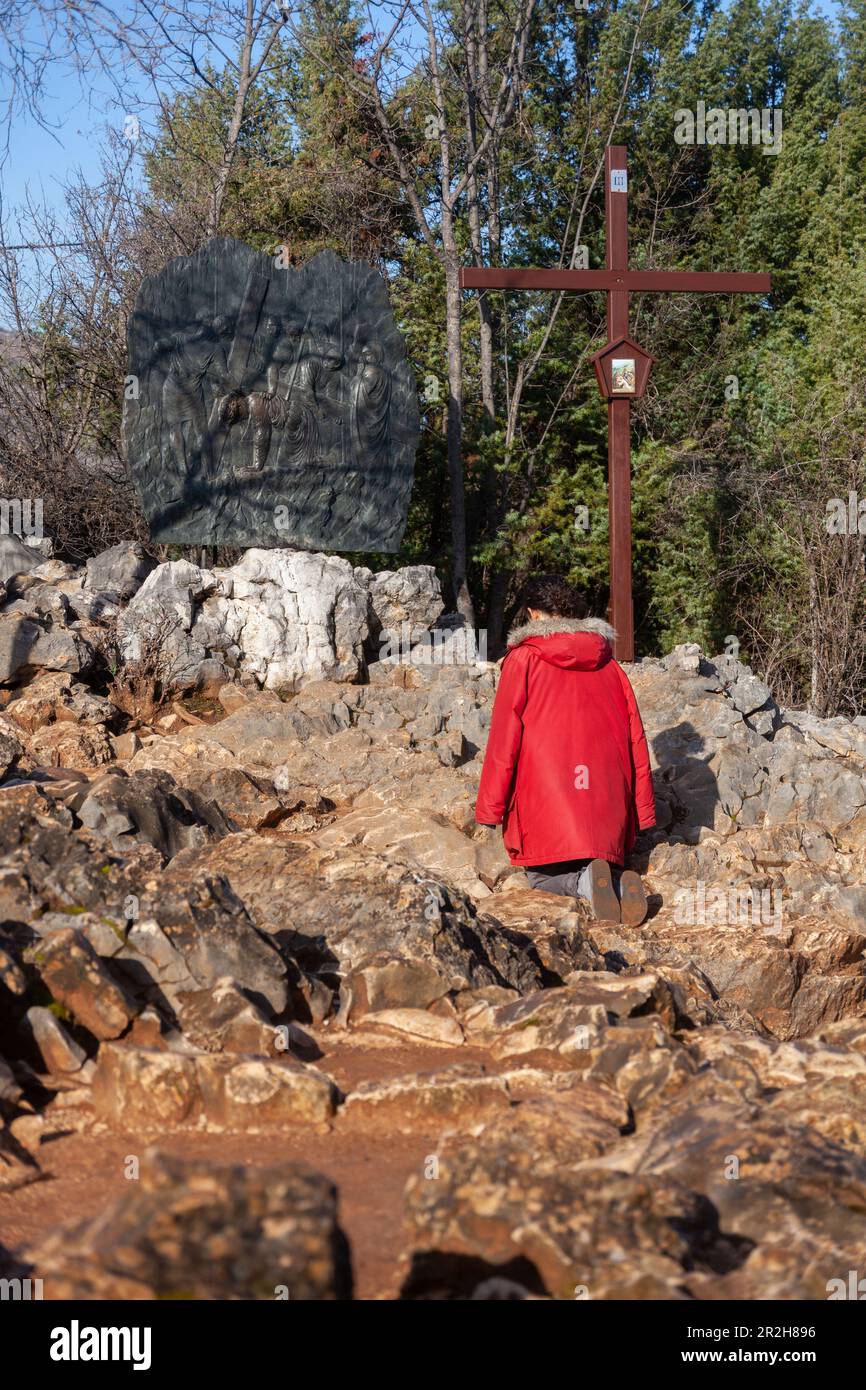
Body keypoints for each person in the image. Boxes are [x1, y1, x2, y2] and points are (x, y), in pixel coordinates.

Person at [475, 575, 656, 925]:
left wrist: (490, 809)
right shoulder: (611, 665)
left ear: (534, 615)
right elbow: (636, 738)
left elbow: (504, 739)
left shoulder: (523, 660)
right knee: (596, 856)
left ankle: (585, 884)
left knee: (541, 878)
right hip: (606, 806)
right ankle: (614, 883)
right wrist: (642, 812)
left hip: (547, 803)